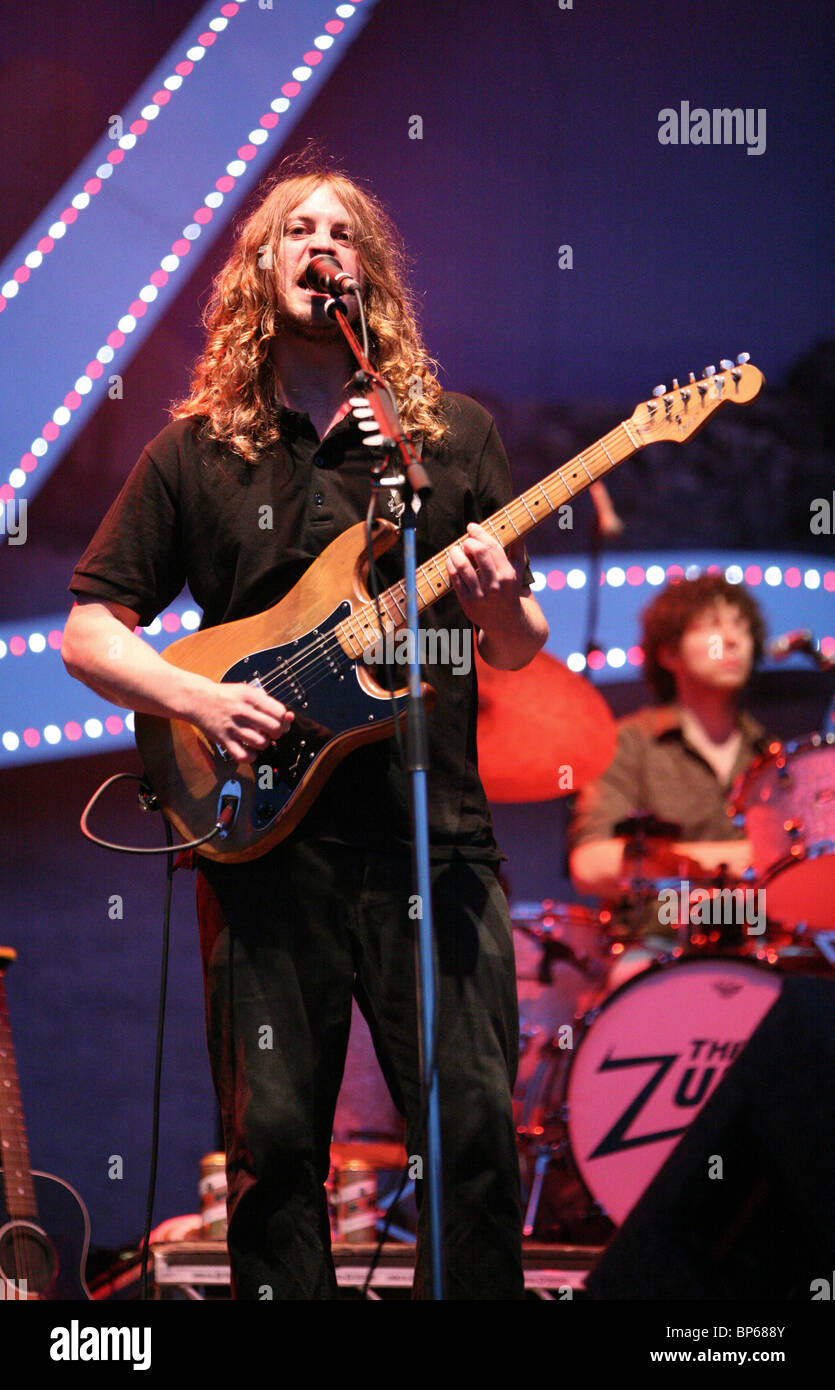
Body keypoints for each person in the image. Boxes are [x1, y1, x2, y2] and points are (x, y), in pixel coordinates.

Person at [61, 159, 548, 1300]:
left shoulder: (449, 437)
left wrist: (491, 593)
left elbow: (516, 644)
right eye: (296, 229)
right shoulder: (199, 448)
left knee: (472, 1130)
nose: (320, 245)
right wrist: (197, 697)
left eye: (342, 233)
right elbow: (91, 631)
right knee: (276, 1149)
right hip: (267, 845)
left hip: (435, 836)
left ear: (367, 276)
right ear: (260, 268)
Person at [568, 575, 770, 988]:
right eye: (710, 626)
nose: (732, 640)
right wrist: (742, 859)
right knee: (634, 975)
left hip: (757, 949)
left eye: (742, 627)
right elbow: (589, 864)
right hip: (654, 949)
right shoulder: (630, 743)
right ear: (668, 653)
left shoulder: (771, 756)